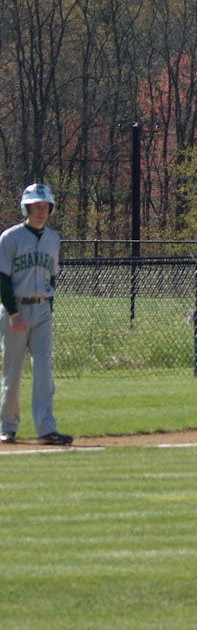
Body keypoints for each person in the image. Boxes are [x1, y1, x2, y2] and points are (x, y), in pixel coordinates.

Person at [1, 183, 71, 446]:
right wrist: (13, 312)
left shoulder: (53, 239)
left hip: (41, 309)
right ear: (26, 208)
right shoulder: (10, 237)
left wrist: (48, 309)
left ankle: (46, 429)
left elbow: (52, 277)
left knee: (44, 372)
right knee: (13, 373)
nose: (41, 211)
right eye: (36, 206)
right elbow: (2, 279)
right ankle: (7, 427)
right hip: (16, 309)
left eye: (45, 206)